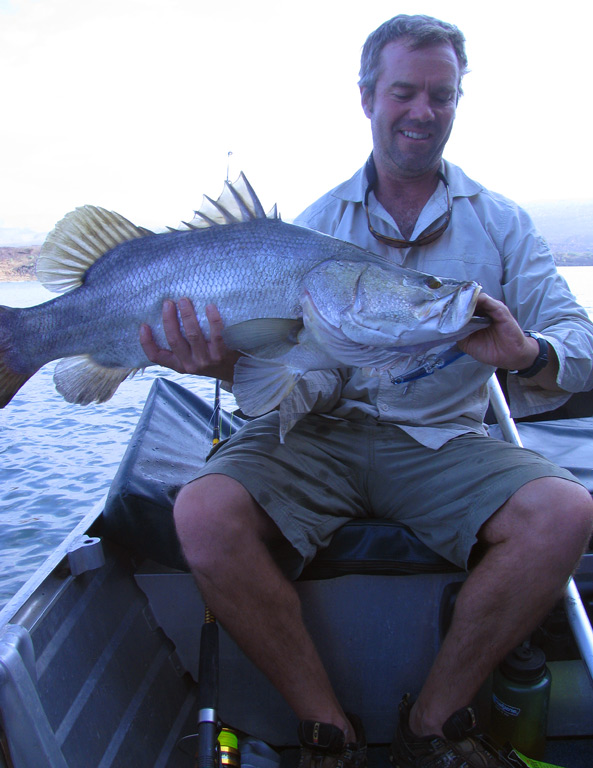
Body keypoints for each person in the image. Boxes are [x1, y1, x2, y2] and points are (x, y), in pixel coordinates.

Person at [139, 14, 593, 768]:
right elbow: (290, 376)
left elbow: (580, 343)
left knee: (565, 512)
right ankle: (328, 732)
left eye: (442, 95)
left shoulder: (503, 225)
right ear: (367, 97)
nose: (423, 111)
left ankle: (433, 725)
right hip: (317, 432)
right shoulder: (313, 228)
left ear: (458, 101)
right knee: (204, 511)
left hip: (444, 440)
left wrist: (527, 352)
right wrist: (218, 364)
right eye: (404, 92)